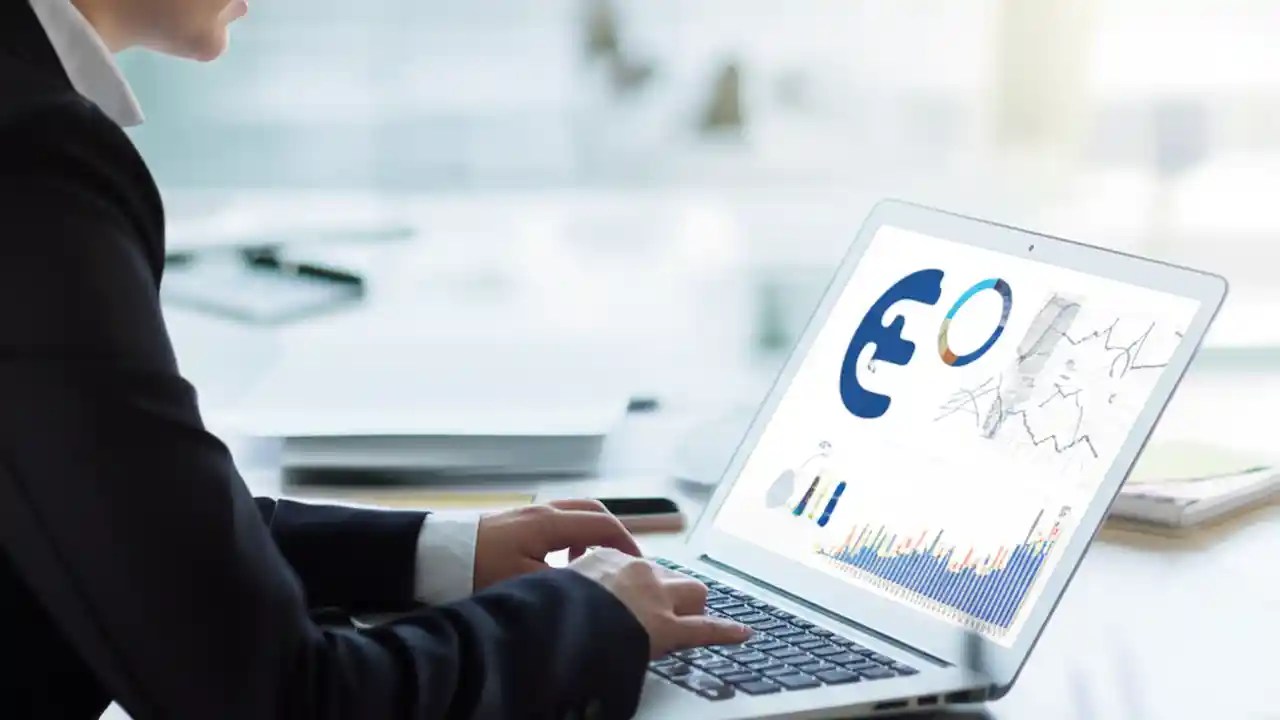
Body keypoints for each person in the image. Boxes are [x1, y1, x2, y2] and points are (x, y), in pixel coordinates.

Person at [0, 0, 751, 717]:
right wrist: (586, 615)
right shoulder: (36, 165)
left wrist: (441, 552)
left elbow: (124, 528)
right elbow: (279, 697)